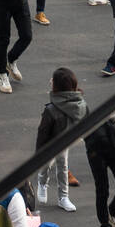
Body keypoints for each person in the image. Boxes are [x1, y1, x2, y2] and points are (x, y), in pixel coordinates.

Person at [35, 67, 85, 213]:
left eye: (53, 80)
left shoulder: (76, 104)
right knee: (46, 164)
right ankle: (42, 182)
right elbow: (42, 133)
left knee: (62, 166)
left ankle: (63, 197)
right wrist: (40, 153)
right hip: (51, 142)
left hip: (64, 141)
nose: (50, 81)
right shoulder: (52, 109)